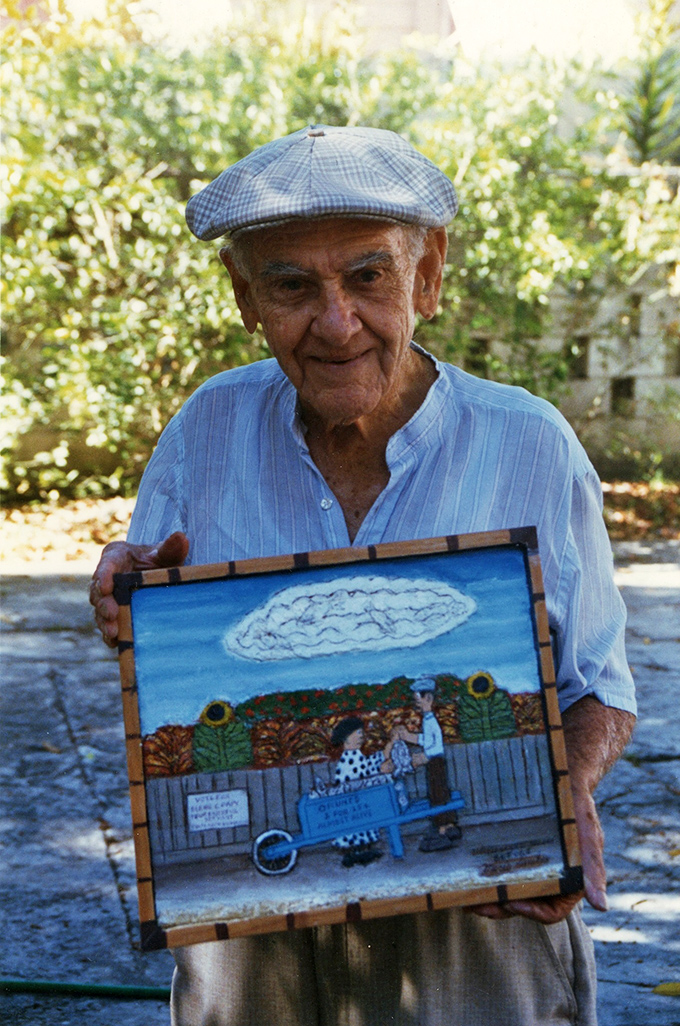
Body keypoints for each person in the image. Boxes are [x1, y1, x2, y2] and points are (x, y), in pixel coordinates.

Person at [90, 124, 636, 1026]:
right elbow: (157, 641)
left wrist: (566, 792)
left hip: (474, 926)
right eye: (292, 285)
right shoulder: (205, 430)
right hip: (250, 944)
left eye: (368, 275)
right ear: (244, 297)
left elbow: (600, 690)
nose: (335, 322)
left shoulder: (529, 443)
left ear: (427, 277)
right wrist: (127, 600)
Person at [395, 677, 462, 852]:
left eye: (419, 699)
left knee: (438, 794)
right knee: (438, 793)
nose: (416, 703)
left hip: (435, 763)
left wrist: (424, 756)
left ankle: (442, 829)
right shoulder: (428, 719)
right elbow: (428, 740)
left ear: (429, 699)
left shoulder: (431, 721)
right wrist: (411, 738)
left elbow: (436, 745)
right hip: (434, 762)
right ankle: (447, 825)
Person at [329, 715, 392, 866]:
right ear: (346, 739)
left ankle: (361, 851)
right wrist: (379, 772)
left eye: (361, 733)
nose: (361, 736)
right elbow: (362, 776)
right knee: (358, 828)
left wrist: (384, 754)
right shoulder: (349, 759)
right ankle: (355, 853)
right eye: (357, 733)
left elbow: (367, 765)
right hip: (352, 803)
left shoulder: (356, 755)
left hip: (357, 801)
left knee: (363, 826)